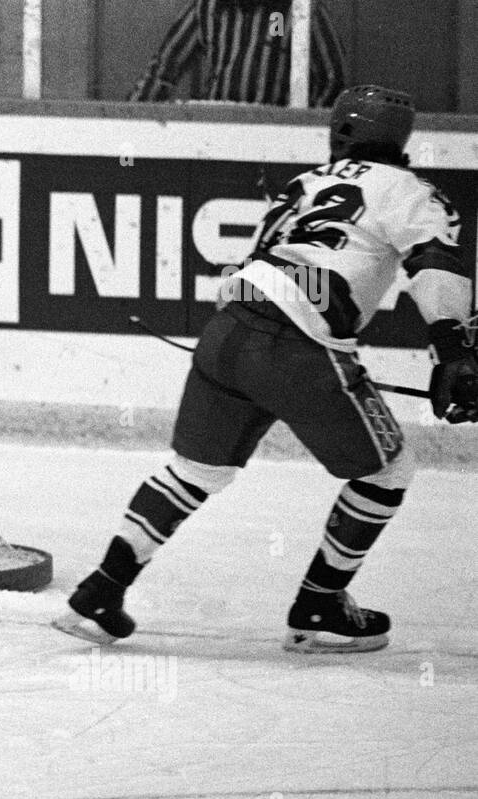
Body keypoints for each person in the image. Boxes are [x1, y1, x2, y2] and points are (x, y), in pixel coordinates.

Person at [55, 85, 478, 653]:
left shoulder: (304, 185)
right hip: (297, 342)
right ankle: (320, 607)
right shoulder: (408, 189)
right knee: (387, 471)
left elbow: (279, 263)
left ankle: (101, 591)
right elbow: (433, 261)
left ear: (338, 131)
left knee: (194, 472)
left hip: (230, 327)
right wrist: (451, 347)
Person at [130, 0, 346, 107]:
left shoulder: (299, 8)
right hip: (216, 129)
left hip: (274, 136)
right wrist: (131, 119)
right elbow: (164, 67)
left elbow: (333, 79)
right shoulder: (209, 6)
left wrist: (303, 130)